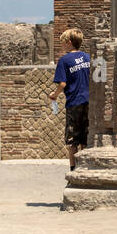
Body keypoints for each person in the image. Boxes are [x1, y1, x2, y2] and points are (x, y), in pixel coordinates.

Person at [50, 28, 91, 170]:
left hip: (74, 102)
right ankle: (86, 167)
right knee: (86, 137)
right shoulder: (88, 57)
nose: (62, 45)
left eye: (62, 42)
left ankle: (73, 169)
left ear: (68, 43)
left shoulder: (64, 60)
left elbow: (62, 83)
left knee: (72, 139)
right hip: (89, 101)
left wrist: (54, 95)